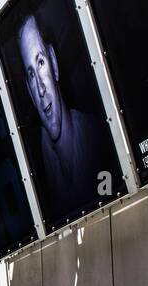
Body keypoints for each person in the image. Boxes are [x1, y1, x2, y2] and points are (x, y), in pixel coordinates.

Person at [16, 11, 113, 222]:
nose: (40, 88)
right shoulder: (37, 176)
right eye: (31, 75)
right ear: (29, 92)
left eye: (40, 62)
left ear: (54, 63)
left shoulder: (100, 138)